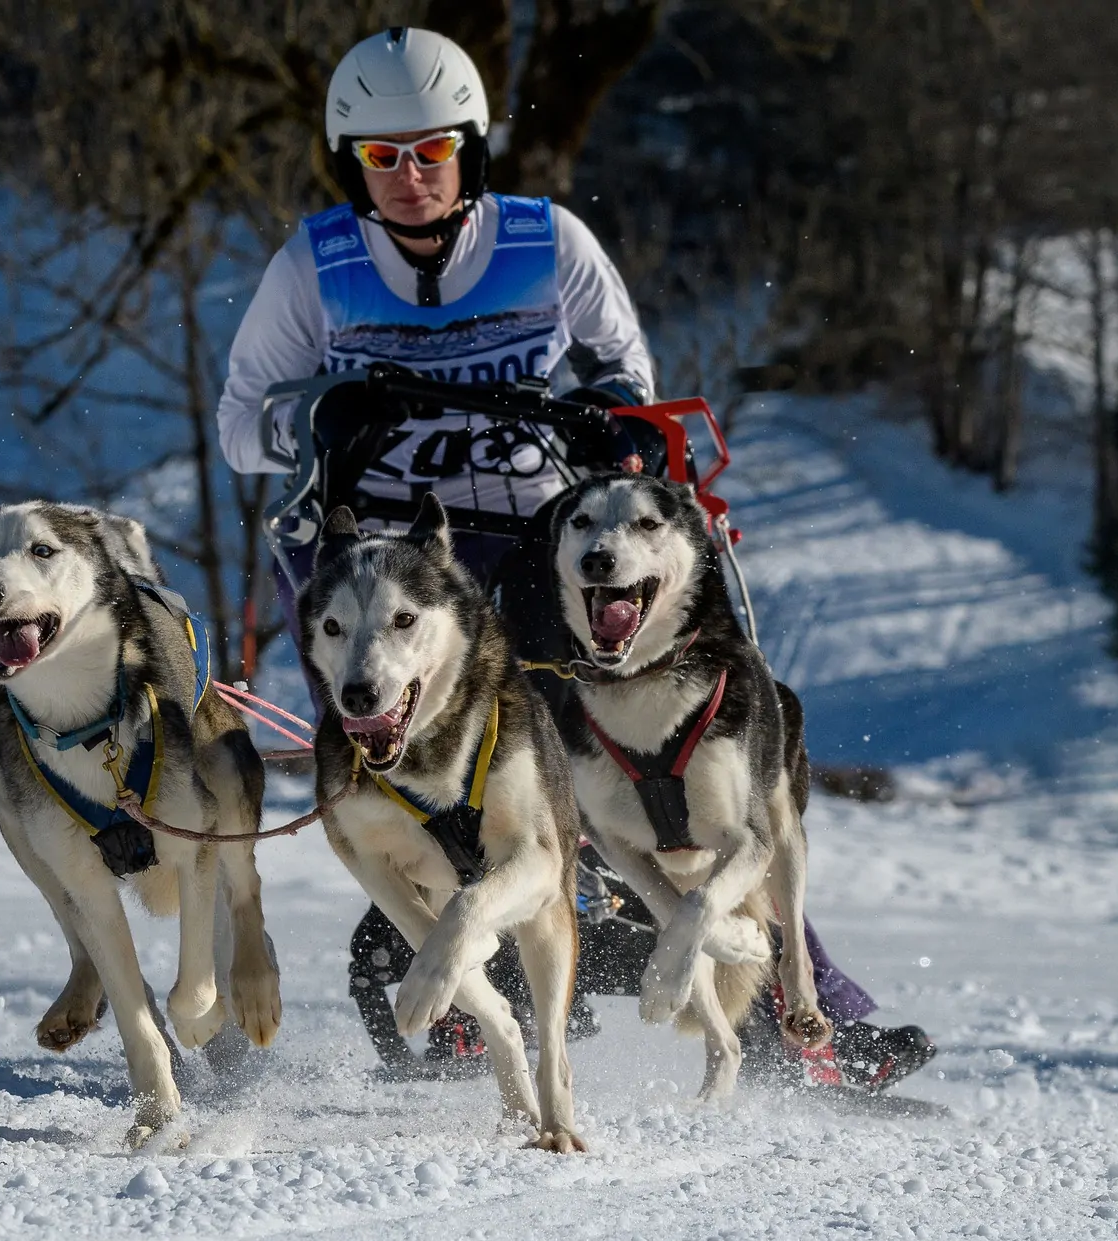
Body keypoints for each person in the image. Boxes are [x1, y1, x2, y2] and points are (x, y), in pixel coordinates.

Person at [216, 27, 933, 1093]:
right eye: (381, 157)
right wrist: (324, 414)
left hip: (535, 537)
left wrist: (614, 428)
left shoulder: (548, 243)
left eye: (432, 152)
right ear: (347, 163)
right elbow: (241, 427)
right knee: (417, 752)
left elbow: (628, 387)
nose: (410, 178)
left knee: (638, 733)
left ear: (471, 152)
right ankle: (459, 972)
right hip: (388, 561)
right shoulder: (311, 269)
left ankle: (801, 999)